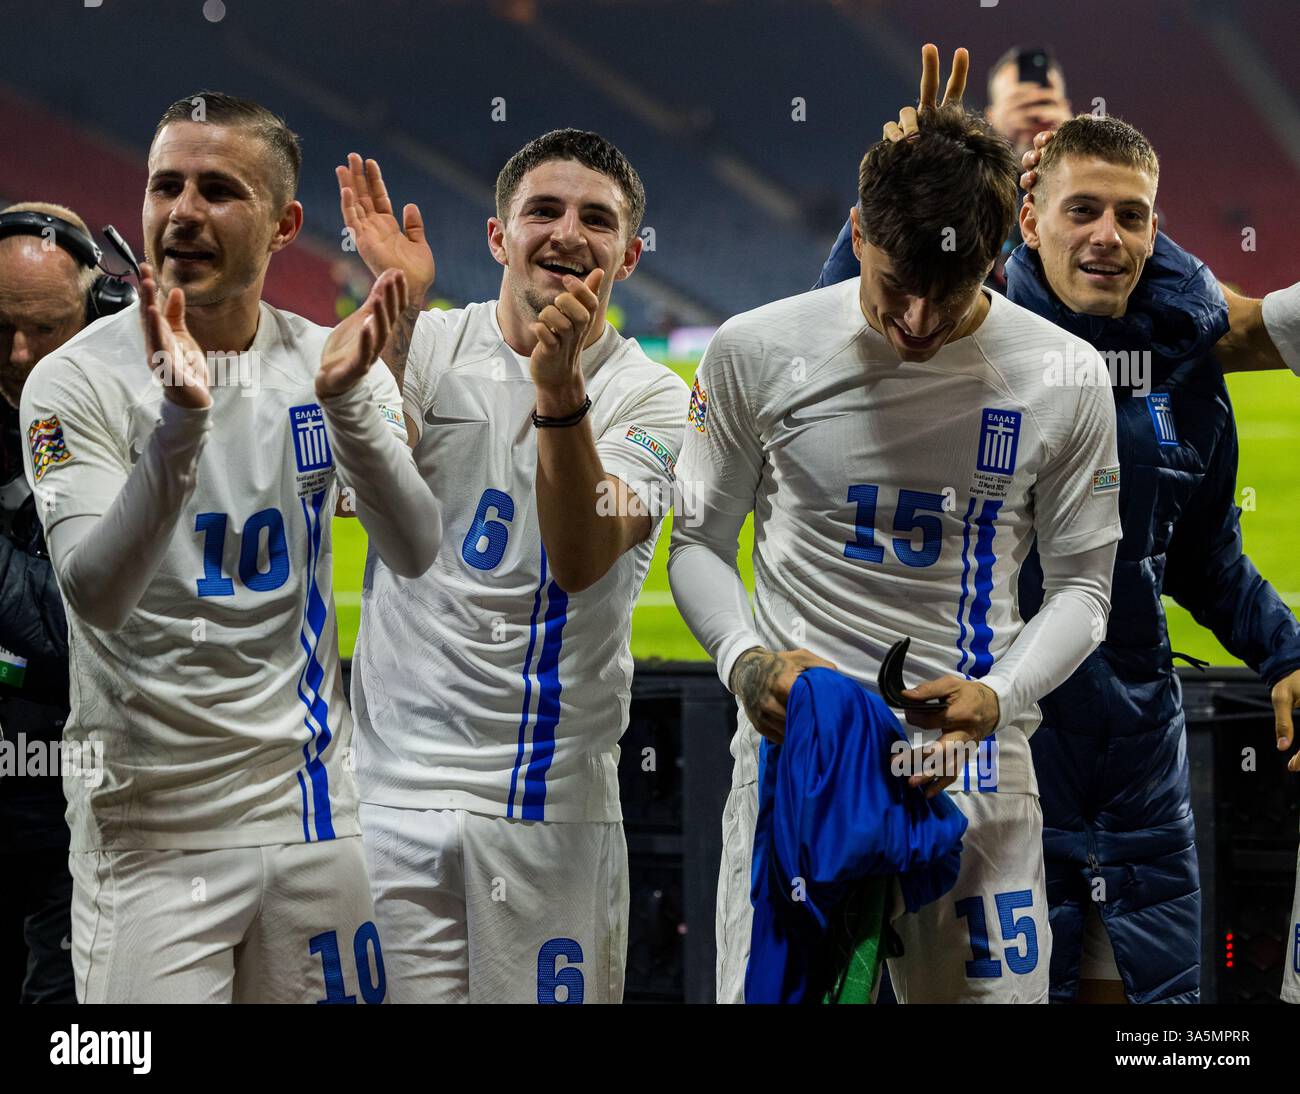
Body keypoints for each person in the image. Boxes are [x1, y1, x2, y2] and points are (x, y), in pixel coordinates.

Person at [668, 46, 1123, 1003]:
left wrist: (998, 697)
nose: (915, 319)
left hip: (979, 775)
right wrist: (746, 662)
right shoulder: (756, 349)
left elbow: (1085, 591)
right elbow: (699, 545)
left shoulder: (1067, 373)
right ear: (856, 233)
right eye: (892, 286)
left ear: (996, 261)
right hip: (800, 768)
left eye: (946, 293)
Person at [19, 91, 441, 1003]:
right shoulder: (75, 380)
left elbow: (414, 548)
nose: (183, 213)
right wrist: (180, 421)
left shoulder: (324, 362)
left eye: (218, 190)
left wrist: (352, 416)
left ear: (285, 223)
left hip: (314, 817)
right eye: (164, 186)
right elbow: (95, 592)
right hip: (148, 835)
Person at [339, 129, 690, 1003]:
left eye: (596, 220)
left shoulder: (654, 399)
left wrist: (560, 396)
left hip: (546, 810)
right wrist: (397, 311)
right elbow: (368, 478)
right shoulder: (429, 343)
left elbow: (582, 555)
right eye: (543, 210)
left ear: (630, 255)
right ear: (499, 238)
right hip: (387, 798)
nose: (568, 233)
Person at [1003, 118, 1300, 1003]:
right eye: (1082, 210)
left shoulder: (1184, 374)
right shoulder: (962, 341)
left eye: (1134, 218)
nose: (1109, 237)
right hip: (999, 754)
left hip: (1139, 772)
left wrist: (1288, 649)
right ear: (1027, 219)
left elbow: (1206, 560)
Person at [0, 200, 112, 1003]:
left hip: (96, 774)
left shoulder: (133, 399)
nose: (18, 353)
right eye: (0, 325)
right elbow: (62, 616)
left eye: (44, 328)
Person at [816, 45, 1073, 292]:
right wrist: (898, 175)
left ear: (1069, 111)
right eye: (1021, 103)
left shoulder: (1103, 198)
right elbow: (832, 298)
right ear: (991, 117)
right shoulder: (960, 191)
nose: (1036, 114)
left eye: (1048, 100)